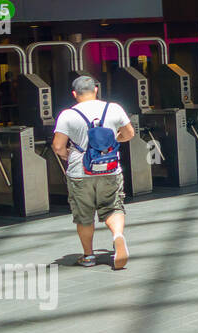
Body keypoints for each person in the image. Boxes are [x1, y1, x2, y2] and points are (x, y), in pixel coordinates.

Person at [52, 75, 136, 270]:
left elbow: (58, 146)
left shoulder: (68, 115)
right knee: (113, 207)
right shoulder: (114, 108)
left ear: (74, 94)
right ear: (96, 90)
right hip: (110, 168)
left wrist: (67, 155)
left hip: (80, 172)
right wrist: (112, 143)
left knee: (84, 215)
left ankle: (88, 256)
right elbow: (129, 134)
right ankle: (117, 236)